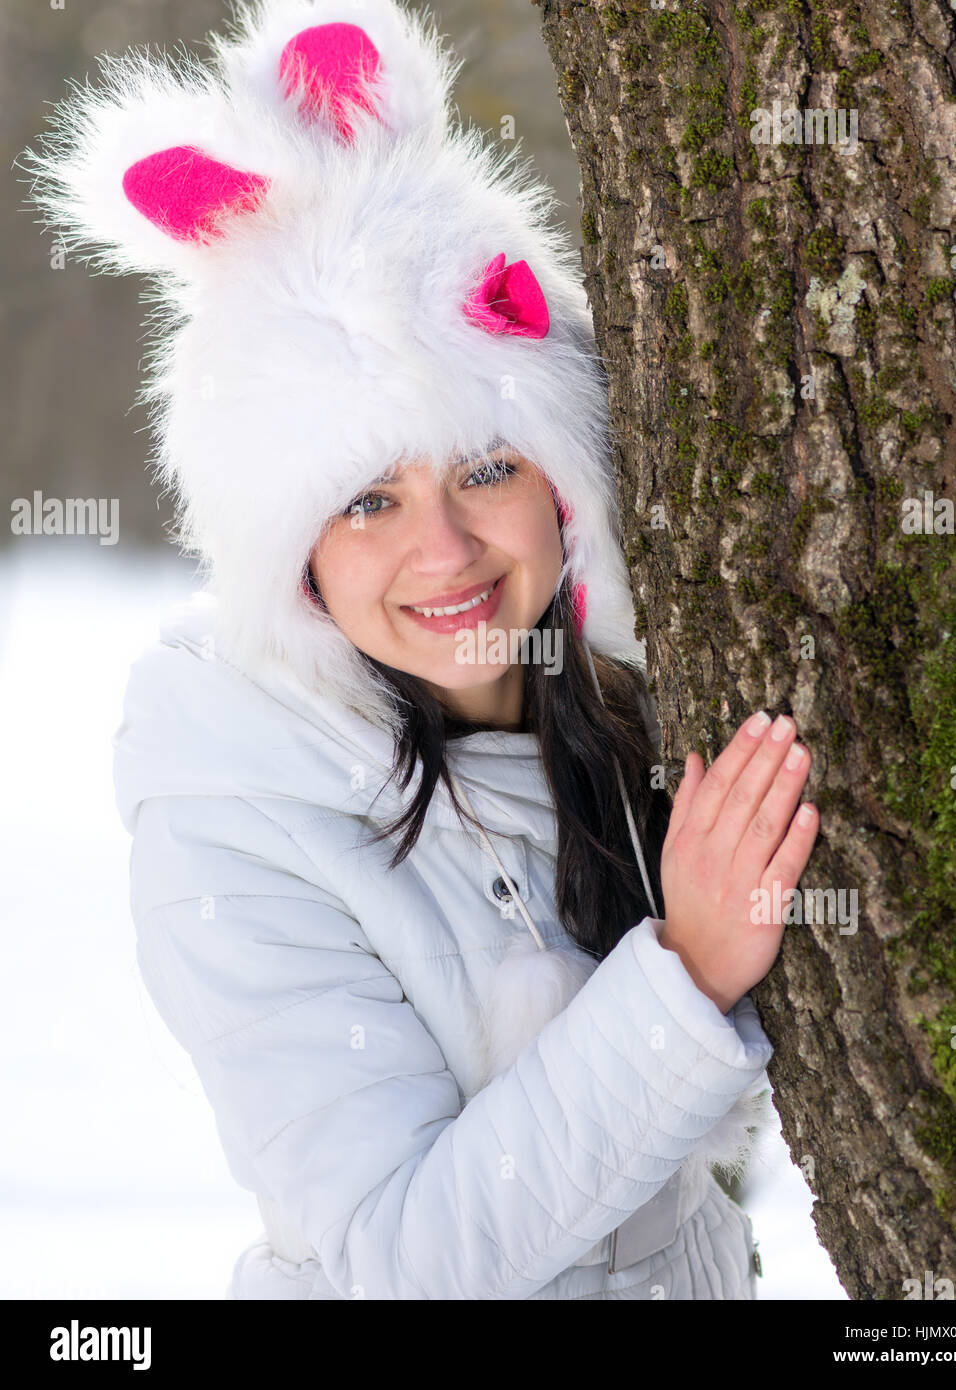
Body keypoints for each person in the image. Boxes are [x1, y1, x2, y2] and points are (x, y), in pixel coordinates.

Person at [21, 0, 819, 1299]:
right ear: (298, 557)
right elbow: (401, 1260)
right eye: (367, 500)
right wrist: (684, 975)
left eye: (488, 467)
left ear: (561, 485)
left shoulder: (636, 708)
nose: (443, 550)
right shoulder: (231, 809)